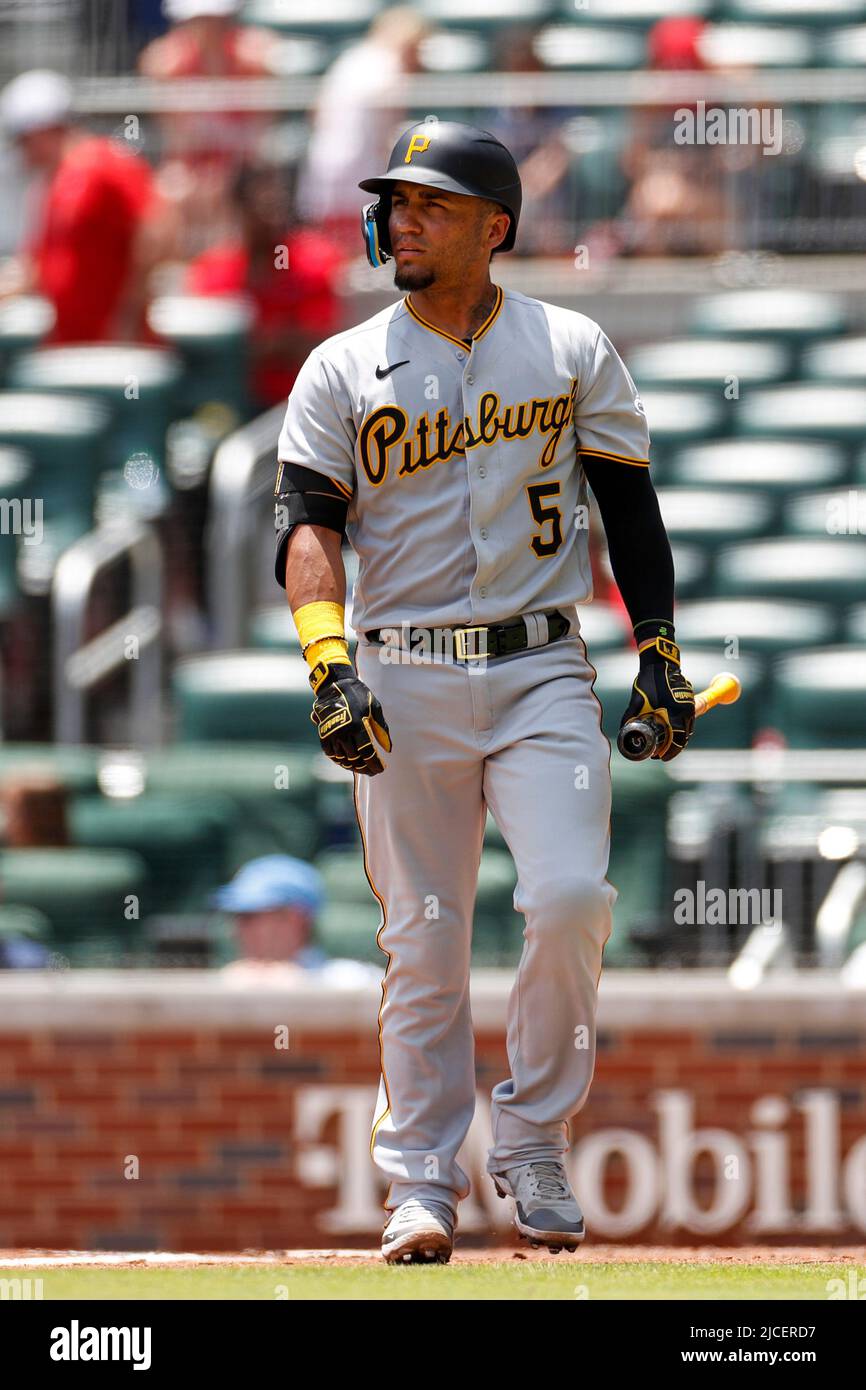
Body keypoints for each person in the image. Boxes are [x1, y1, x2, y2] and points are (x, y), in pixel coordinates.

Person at [273, 121, 695, 1265]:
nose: (401, 220)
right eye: (395, 203)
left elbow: (630, 509)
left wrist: (656, 650)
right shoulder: (341, 365)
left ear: (492, 226)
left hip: (538, 663)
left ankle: (534, 1135)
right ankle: (418, 1184)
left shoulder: (569, 345)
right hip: (399, 667)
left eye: (430, 205)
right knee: (423, 941)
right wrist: (327, 663)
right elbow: (308, 530)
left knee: (567, 898)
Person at [0, 69, 163, 343]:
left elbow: (157, 231)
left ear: (42, 131)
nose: (24, 153)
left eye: (24, 141)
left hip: (116, 346)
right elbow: (36, 269)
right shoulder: (50, 185)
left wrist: (128, 315)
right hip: (75, 346)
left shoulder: (104, 163)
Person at [185, 162, 344, 411]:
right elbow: (200, 348)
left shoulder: (314, 260)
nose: (270, 214)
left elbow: (326, 344)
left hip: (301, 403)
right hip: (229, 403)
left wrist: (266, 345)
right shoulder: (215, 270)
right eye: (259, 204)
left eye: (275, 202)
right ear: (240, 210)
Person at [296, 6, 428, 253]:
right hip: (360, 168)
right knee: (358, 250)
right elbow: (387, 135)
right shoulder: (389, 67)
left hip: (325, 159)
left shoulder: (350, 59)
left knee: (332, 246)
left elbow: (314, 113)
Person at [214, 854, 378, 985]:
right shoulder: (227, 981)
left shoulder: (348, 979)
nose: (236, 930)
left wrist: (302, 984)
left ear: (294, 918)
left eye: (249, 917)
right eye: (237, 917)